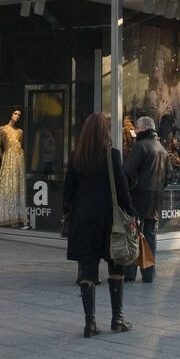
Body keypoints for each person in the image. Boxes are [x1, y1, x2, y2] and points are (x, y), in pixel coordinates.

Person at [63, 113, 134, 337]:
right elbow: (122, 191)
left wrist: (70, 213)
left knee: (87, 270)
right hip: (109, 221)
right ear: (105, 132)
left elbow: (67, 193)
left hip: (83, 222)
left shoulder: (76, 157)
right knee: (116, 267)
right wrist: (131, 215)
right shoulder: (112, 156)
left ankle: (90, 323)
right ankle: (117, 318)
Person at [122, 116, 168, 283]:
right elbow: (168, 176)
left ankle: (130, 272)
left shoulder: (140, 147)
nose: (134, 132)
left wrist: (130, 187)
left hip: (138, 196)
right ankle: (148, 273)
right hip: (156, 198)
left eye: (136, 129)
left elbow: (127, 170)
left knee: (134, 234)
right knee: (150, 235)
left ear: (143, 129)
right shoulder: (162, 149)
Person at [0, 108, 28, 227]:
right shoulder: (2, 129)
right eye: (15, 113)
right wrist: (4, 157)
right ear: (10, 114)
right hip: (8, 158)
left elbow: (19, 145)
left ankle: (15, 217)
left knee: (16, 187)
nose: (17, 116)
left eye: (19, 115)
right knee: (6, 186)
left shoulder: (20, 131)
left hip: (18, 159)